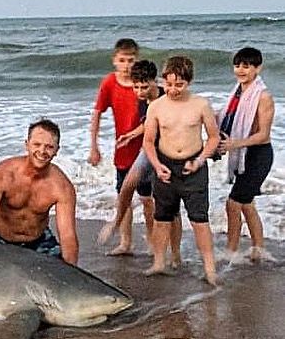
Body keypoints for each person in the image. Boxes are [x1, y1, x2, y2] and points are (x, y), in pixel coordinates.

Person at [143, 55, 220, 285]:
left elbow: (213, 138)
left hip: (193, 167)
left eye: (179, 85)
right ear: (163, 80)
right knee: (162, 217)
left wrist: (199, 160)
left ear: (189, 82)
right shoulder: (156, 106)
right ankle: (159, 262)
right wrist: (157, 166)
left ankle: (210, 268)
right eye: (169, 84)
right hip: (165, 166)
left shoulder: (200, 104)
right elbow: (148, 141)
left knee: (199, 219)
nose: (173, 89)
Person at [97, 60, 182, 264]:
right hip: (149, 150)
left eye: (145, 87)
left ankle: (176, 254)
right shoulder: (143, 100)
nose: (140, 91)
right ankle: (117, 224)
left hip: (169, 154)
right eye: (136, 87)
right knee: (126, 186)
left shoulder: (167, 97)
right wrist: (130, 136)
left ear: (155, 82)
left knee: (170, 207)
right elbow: (148, 123)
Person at [0, 118, 79, 265]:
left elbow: (68, 236)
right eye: (37, 144)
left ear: (57, 150)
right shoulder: (2, 175)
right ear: (27, 145)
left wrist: (71, 274)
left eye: (49, 147)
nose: (42, 151)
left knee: (60, 275)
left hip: (37, 241)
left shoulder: (62, 187)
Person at [216, 47, 275, 262]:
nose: (241, 70)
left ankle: (231, 251)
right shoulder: (237, 93)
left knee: (233, 202)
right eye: (237, 65)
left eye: (246, 66)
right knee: (247, 203)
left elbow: (263, 135)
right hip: (243, 153)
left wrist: (235, 144)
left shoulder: (263, 96)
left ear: (258, 68)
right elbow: (225, 118)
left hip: (258, 155)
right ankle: (258, 249)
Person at [87, 38, 142, 255]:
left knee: (149, 199)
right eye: (123, 60)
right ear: (114, 61)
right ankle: (126, 242)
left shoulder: (143, 82)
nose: (127, 65)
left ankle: (157, 242)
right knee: (124, 197)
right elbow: (97, 113)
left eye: (131, 60)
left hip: (147, 149)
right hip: (123, 151)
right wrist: (94, 145)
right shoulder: (109, 82)